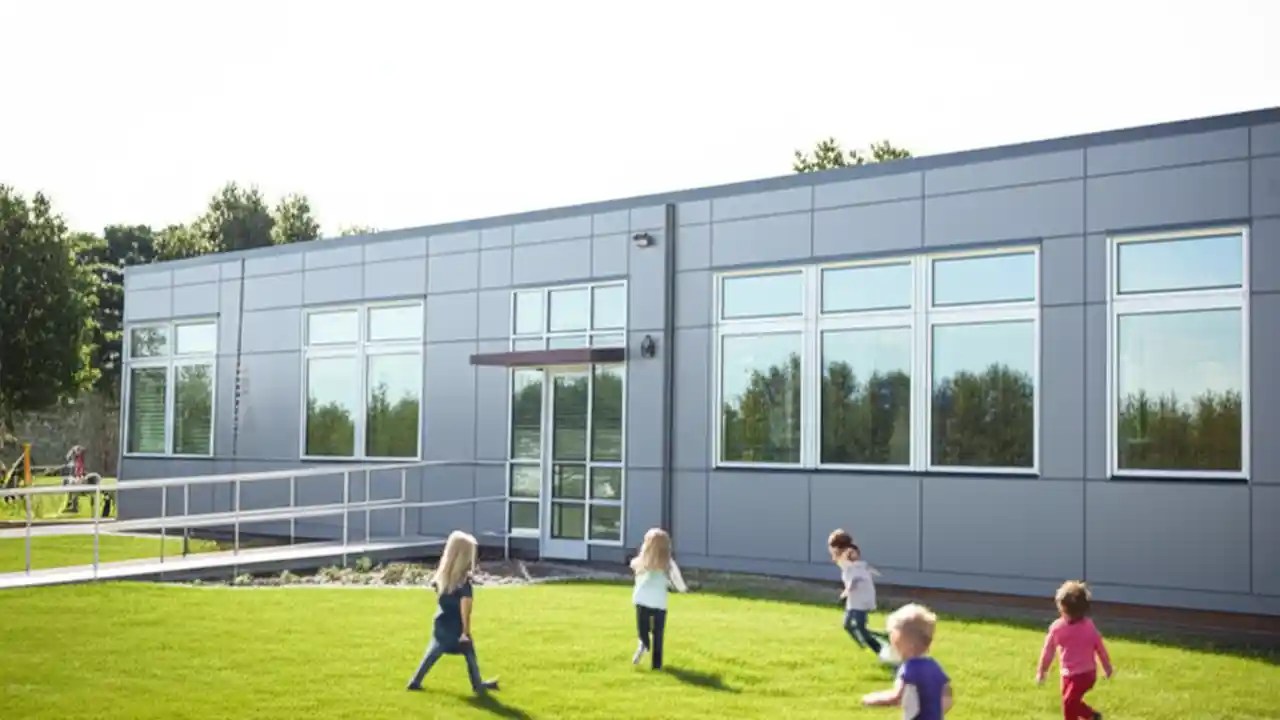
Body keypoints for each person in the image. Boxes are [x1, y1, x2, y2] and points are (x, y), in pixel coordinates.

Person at [406, 530, 499, 694]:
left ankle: (415, 680)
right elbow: (466, 612)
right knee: (469, 653)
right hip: (456, 627)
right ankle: (478, 684)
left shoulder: (442, 579)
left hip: (441, 623)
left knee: (434, 651)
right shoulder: (464, 585)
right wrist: (465, 632)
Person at [1036, 580, 1113, 720]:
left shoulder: (1088, 627)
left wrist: (1107, 667)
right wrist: (1042, 670)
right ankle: (1092, 716)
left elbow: (1099, 647)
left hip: (1085, 674)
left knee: (1068, 702)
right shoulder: (1058, 628)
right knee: (1071, 701)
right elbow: (1048, 650)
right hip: (1067, 674)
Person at [862, 603, 953, 719]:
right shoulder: (934, 666)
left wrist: (871, 699)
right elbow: (947, 695)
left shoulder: (909, 668)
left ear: (906, 643)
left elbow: (896, 697)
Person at [629, 527, 688, 670]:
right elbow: (677, 578)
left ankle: (643, 643)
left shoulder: (643, 561)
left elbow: (632, 564)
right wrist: (683, 589)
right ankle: (657, 664)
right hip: (659, 603)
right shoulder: (668, 563)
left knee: (643, 628)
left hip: (642, 601)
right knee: (658, 634)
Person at [827, 529, 890, 662]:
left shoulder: (849, 557)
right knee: (848, 625)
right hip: (855, 599)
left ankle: (880, 650)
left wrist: (845, 592)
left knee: (860, 628)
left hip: (860, 600)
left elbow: (854, 576)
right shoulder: (846, 558)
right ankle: (876, 639)